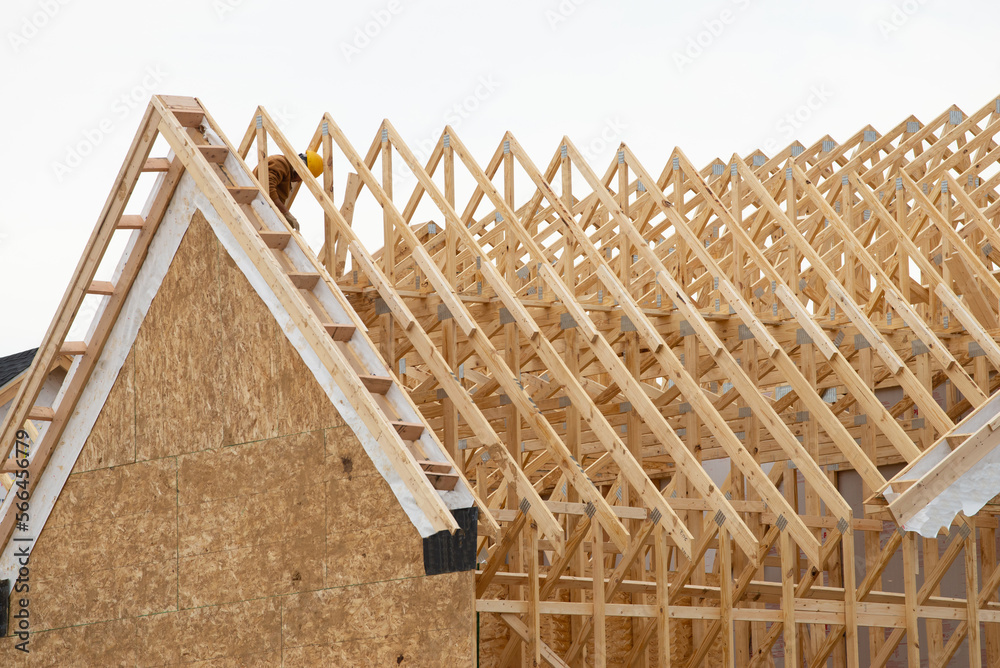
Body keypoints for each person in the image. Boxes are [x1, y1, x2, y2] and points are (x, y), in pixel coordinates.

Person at [253, 151, 323, 231]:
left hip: (260, 209)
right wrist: (286, 213)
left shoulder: (287, 171)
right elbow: (267, 187)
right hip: (255, 206)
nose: (298, 181)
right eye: (302, 177)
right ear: (300, 169)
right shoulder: (280, 163)